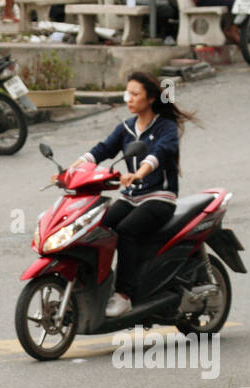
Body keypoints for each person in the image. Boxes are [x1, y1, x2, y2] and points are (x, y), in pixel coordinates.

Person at [68, 70, 195, 317]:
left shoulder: (165, 127)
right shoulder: (125, 127)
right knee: (97, 226)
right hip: (131, 198)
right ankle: (96, 285)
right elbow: (101, 150)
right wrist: (69, 172)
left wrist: (139, 173)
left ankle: (123, 295)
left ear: (149, 98)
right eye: (128, 93)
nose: (129, 98)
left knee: (126, 230)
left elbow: (158, 154)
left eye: (135, 94)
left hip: (159, 198)